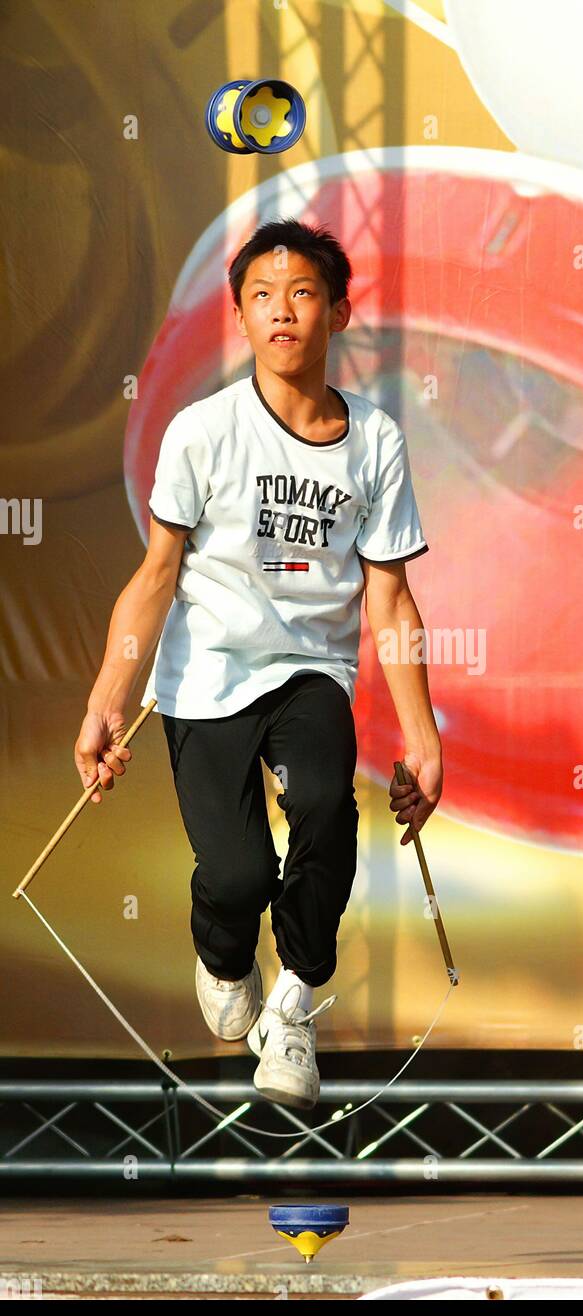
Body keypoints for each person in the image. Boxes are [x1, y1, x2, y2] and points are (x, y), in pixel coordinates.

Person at [74, 218, 442, 1109]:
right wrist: (105, 704)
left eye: (304, 293)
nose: (283, 311)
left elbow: (389, 598)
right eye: (262, 296)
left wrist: (426, 740)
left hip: (312, 670)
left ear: (339, 312)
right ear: (239, 316)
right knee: (236, 874)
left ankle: (294, 1006)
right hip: (205, 677)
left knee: (325, 805)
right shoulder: (202, 432)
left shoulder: (376, 442)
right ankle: (224, 952)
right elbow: (156, 578)